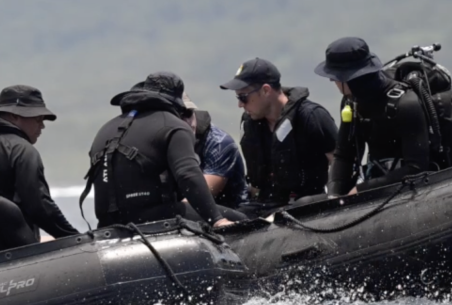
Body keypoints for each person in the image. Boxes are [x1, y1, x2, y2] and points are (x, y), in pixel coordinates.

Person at [84, 72, 234, 228]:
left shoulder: (105, 129)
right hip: (152, 218)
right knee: (242, 218)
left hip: (107, 224)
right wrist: (217, 220)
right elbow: (187, 175)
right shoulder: (174, 126)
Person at [315, 37, 431, 194]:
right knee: (304, 203)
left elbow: (416, 168)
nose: (331, 80)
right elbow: (343, 156)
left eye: (334, 77)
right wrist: (334, 195)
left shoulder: (405, 104)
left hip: (410, 189)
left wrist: (361, 189)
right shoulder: (352, 103)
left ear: (348, 78)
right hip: (375, 186)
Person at [219, 57, 337, 206]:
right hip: (266, 206)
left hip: (307, 207)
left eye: (244, 97)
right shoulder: (250, 122)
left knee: (302, 203)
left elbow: (342, 164)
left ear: (265, 90)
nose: (240, 104)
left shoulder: (311, 116)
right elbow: (256, 186)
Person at [0, 85, 80, 240]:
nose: (42, 125)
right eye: (37, 119)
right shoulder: (21, 149)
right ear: (14, 116)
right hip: (10, 249)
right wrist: (74, 238)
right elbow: (38, 205)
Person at [183, 95, 248, 209]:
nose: (189, 123)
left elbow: (201, 196)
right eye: (178, 116)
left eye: (188, 113)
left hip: (231, 212)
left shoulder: (219, 143)